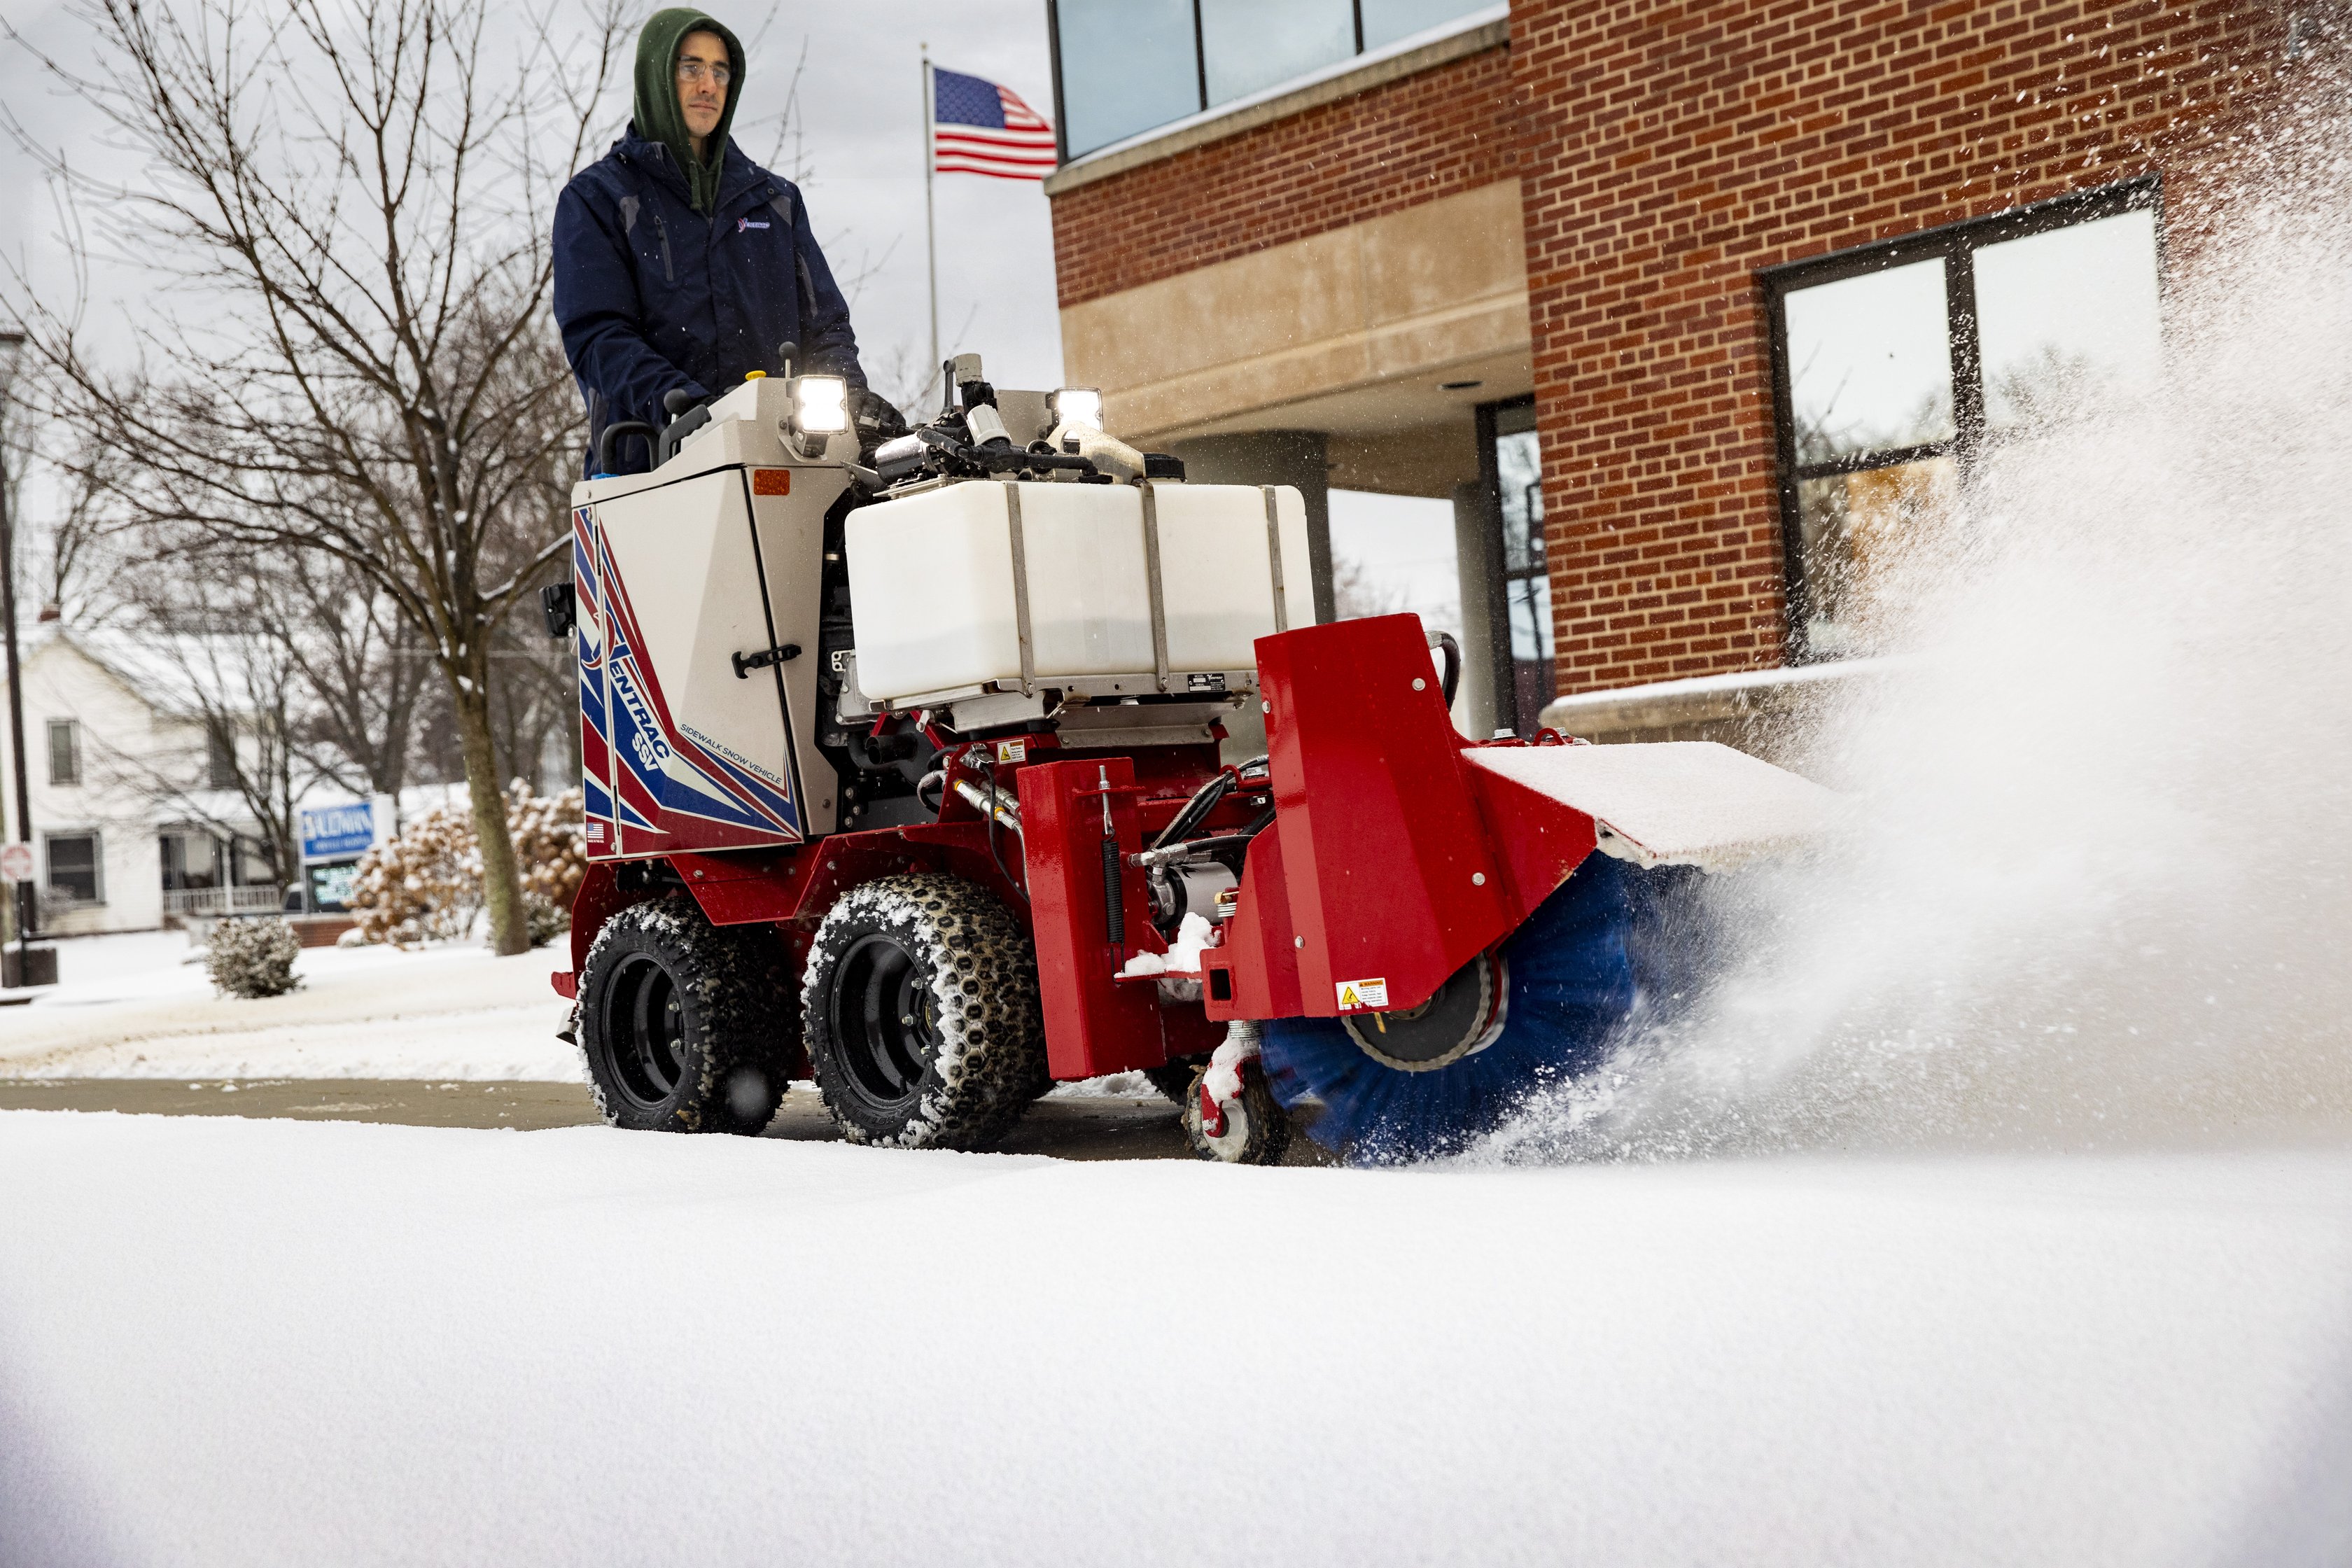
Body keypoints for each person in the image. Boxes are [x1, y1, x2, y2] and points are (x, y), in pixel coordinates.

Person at [554, 9, 880, 473]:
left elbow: (826, 327)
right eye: (691, 68)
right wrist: (687, 407)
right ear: (656, 77)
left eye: (719, 71)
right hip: (646, 472)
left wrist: (851, 400)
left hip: (785, 467)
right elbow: (597, 336)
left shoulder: (775, 202)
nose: (708, 85)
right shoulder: (597, 199)